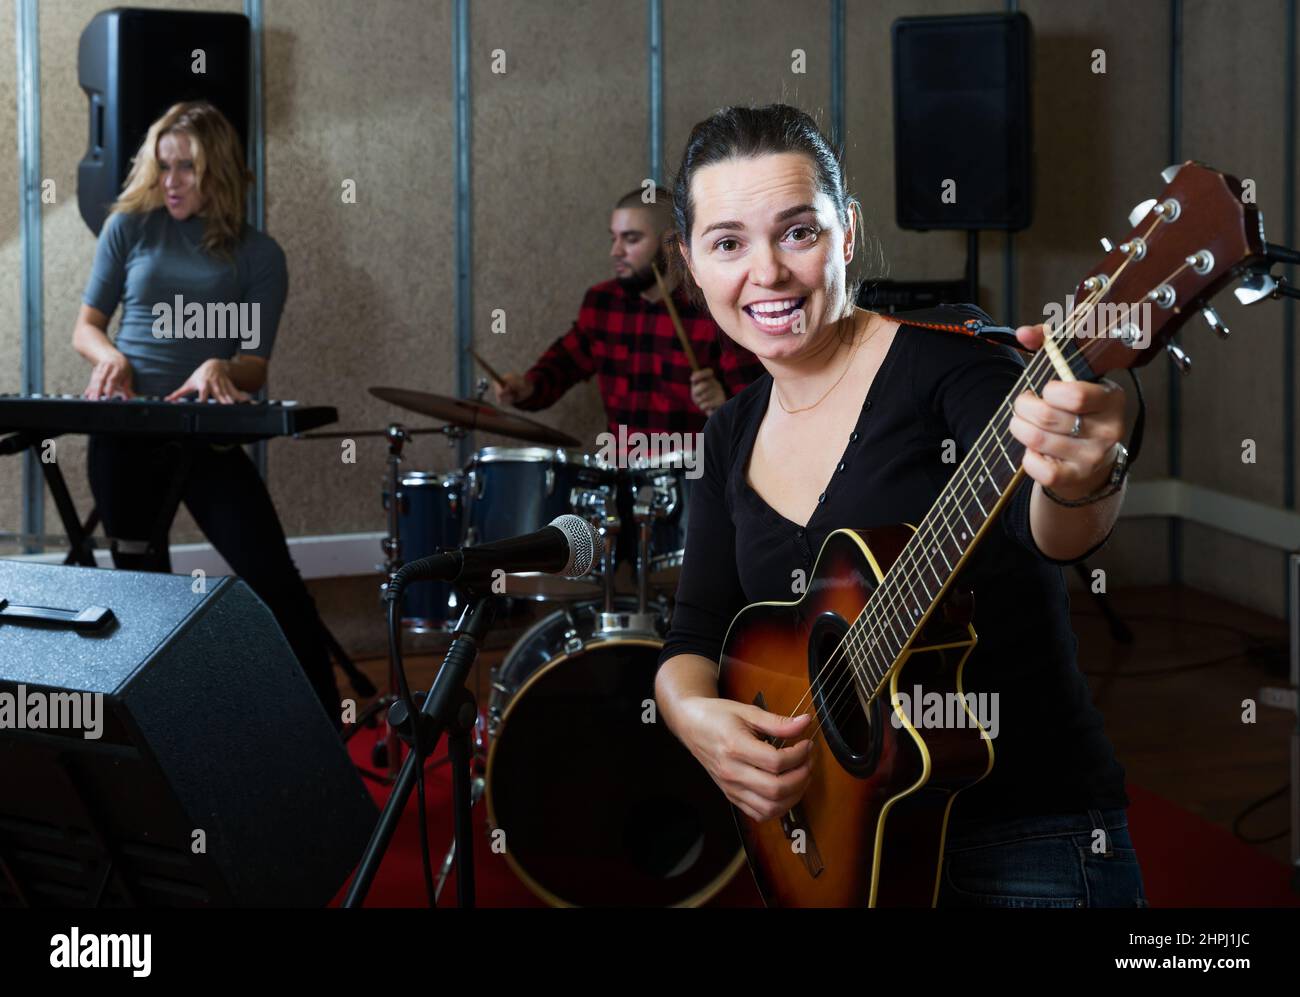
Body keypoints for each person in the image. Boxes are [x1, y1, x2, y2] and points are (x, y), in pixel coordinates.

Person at [653, 104, 1145, 907]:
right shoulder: (729, 432)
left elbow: (1047, 529)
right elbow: (696, 633)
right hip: (846, 850)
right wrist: (692, 716)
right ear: (691, 263)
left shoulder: (954, 361)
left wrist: (1086, 474)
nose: (768, 274)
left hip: (1029, 834)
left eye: (798, 232)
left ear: (846, 232)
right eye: (729, 242)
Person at [72, 100, 341, 721]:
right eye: (163, 166)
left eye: (187, 168)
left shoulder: (258, 254)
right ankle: (156, 735)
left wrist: (220, 367)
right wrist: (108, 356)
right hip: (127, 433)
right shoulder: (129, 229)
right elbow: (86, 326)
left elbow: (253, 364)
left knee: (273, 579)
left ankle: (326, 727)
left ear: (217, 169)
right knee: (141, 592)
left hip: (206, 438)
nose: (171, 182)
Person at [493, 187, 764, 441]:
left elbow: (760, 408)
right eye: (614, 239)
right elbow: (563, 365)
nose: (615, 252)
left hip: (696, 476)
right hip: (620, 473)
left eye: (631, 239)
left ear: (671, 243)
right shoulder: (602, 303)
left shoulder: (714, 308)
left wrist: (723, 402)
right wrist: (527, 387)